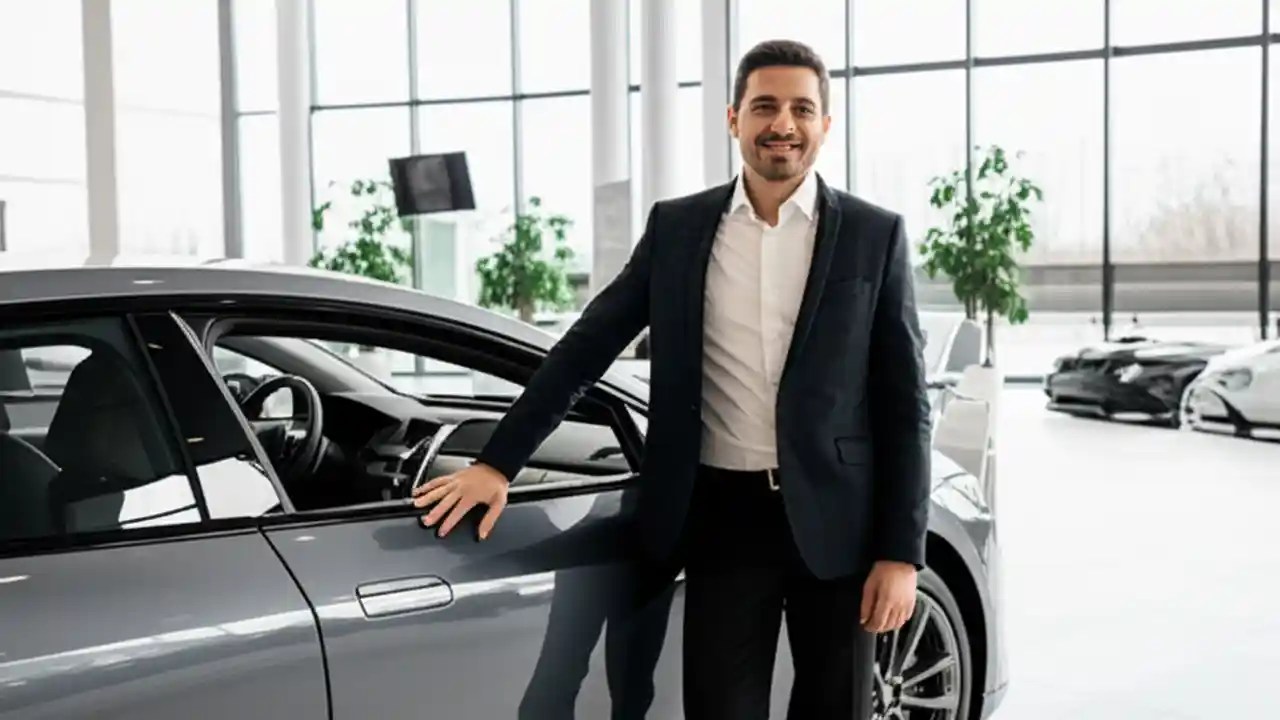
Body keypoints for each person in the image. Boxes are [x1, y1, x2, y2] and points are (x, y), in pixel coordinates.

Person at [414, 38, 931, 719]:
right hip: (724, 518)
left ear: (825, 125)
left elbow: (905, 407)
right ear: (733, 117)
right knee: (719, 707)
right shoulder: (680, 228)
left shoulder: (875, 235)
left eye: (802, 108)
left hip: (841, 525)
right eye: (765, 106)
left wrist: (902, 554)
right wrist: (498, 463)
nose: (784, 123)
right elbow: (585, 347)